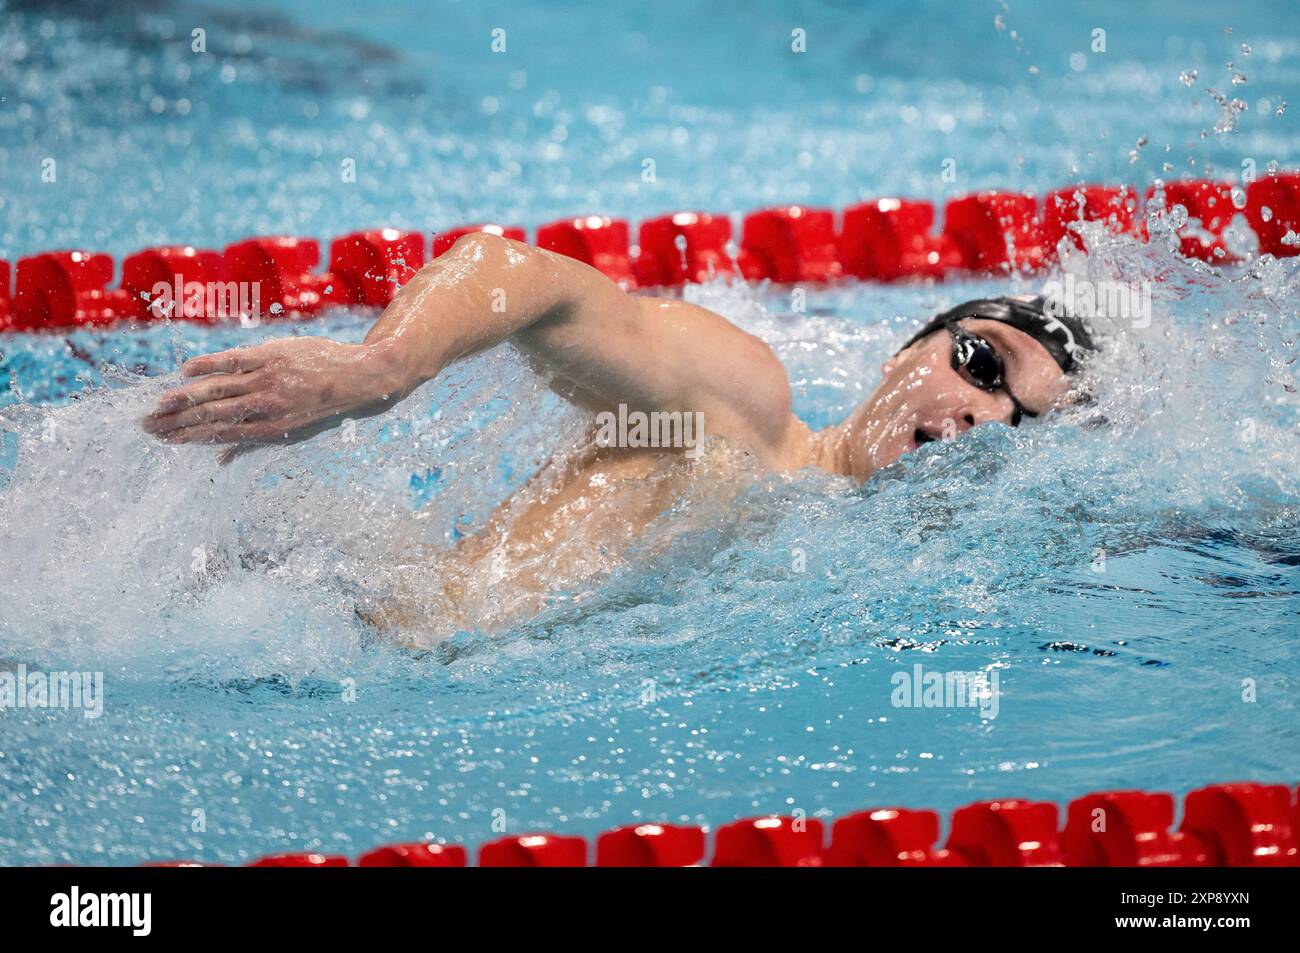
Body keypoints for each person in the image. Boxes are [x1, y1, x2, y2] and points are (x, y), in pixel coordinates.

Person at [141, 232, 1095, 637]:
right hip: (333, 616)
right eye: (980, 363)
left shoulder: (864, 569)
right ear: (905, 349)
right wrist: (380, 370)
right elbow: (526, 277)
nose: (982, 416)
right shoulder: (746, 413)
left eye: (1020, 422)